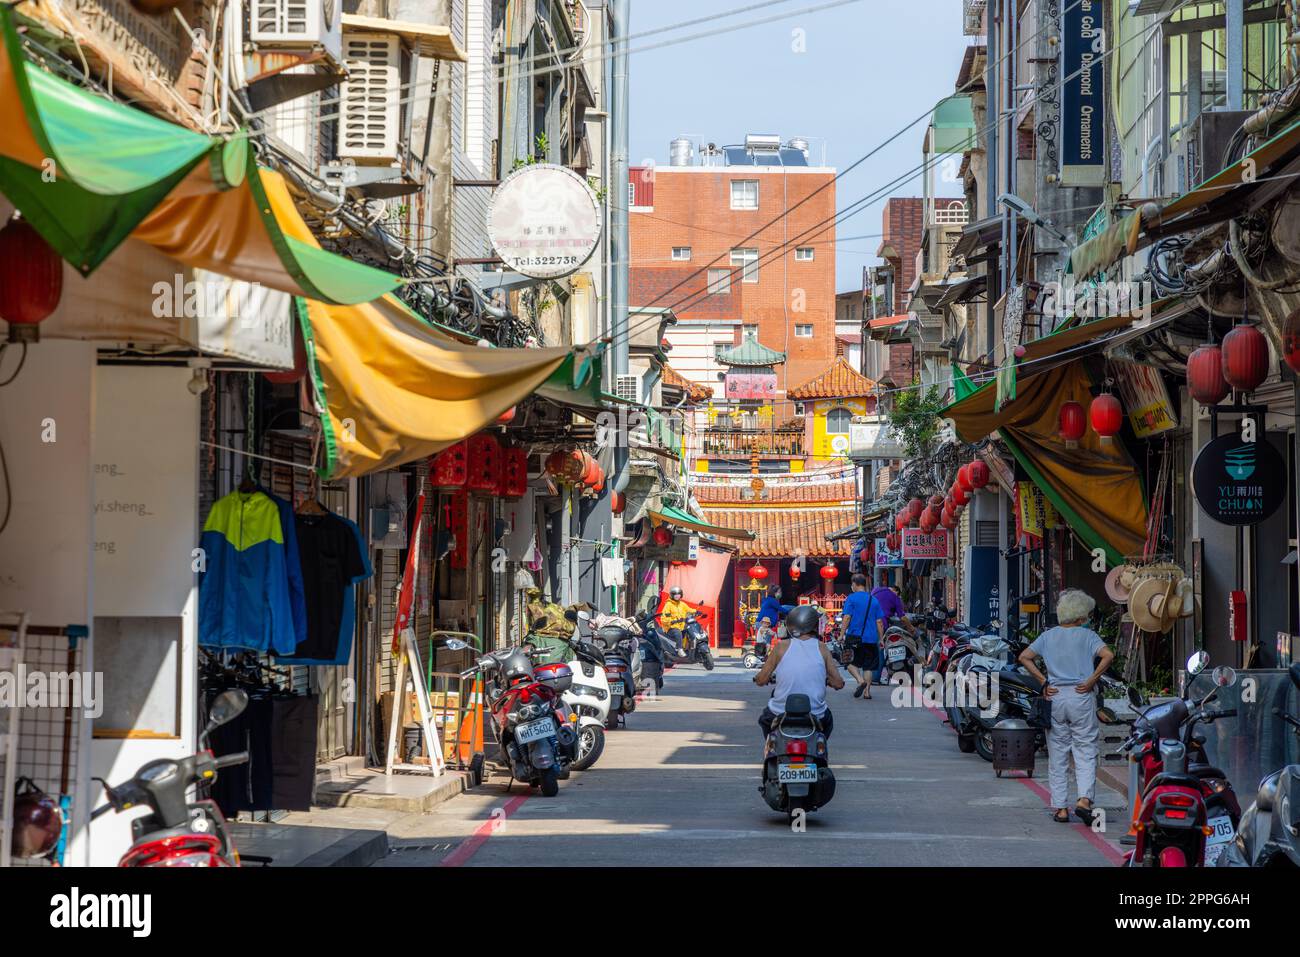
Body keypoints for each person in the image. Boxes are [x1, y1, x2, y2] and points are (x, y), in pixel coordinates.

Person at [1017, 588, 1114, 825]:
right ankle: (1083, 800)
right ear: (1081, 617)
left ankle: (1060, 808)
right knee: (1085, 749)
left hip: (1056, 696)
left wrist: (1043, 682)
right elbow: (1108, 656)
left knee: (1058, 753)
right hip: (1081, 697)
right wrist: (1091, 680)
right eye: (1088, 615)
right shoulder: (1088, 636)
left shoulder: (1048, 636)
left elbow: (1024, 657)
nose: (1088, 619)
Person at [754, 604, 844, 739]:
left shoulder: (781, 647)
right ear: (814, 626)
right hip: (815, 713)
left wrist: (762, 679)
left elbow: (761, 680)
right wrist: (829, 681)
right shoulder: (822, 648)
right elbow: (838, 683)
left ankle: (772, 747)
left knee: (765, 720)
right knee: (828, 721)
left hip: (780, 712)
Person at [840, 574, 884, 699]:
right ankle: (867, 692)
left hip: (854, 636)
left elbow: (847, 617)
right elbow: (879, 622)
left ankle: (860, 681)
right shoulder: (873, 600)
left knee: (848, 661)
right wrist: (881, 639)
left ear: (854, 584)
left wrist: (841, 634)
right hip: (870, 638)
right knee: (868, 666)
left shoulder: (852, 598)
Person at [871, 572, 911, 683]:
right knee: (881, 650)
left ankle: (871, 676)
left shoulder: (875, 590)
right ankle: (875, 677)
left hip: (869, 623)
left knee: (872, 650)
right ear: (896, 592)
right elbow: (902, 617)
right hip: (881, 624)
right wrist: (911, 628)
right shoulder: (895, 597)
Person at [661, 586, 696, 654]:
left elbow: (689, 610)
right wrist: (671, 621)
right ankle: (679, 649)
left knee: (690, 628)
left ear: (681, 595)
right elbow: (664, 617)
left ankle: (693, 646)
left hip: (681, 626)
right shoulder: (668, 605)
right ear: (672, 595)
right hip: (671, 627)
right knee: (678, 633)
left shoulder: (682, 604)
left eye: (678, 594)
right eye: (675, 594)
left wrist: (696, 611)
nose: (677, 596)